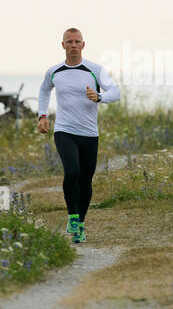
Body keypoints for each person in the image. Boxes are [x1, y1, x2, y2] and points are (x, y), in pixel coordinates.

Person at [37, 28, 121, 244]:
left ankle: (80, 223)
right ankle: (72, 216)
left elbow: (116, 93)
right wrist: (42, 115)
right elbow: (44, 90)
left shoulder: (96, 70)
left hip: (89, 133)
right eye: (69, 41)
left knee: (85, 180)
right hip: (64, 131)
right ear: (63, 45)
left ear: (83, 45)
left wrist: (99, 96)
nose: (73, 45)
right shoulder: (54, 71)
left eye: (77, 41)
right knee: (72, 171)